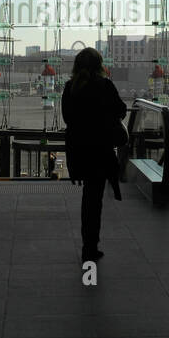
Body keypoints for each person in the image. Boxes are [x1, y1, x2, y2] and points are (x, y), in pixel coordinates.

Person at [61, 47, 126, 263]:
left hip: (79, 151)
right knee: (94, 199)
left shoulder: (71, 88)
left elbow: (68, 118)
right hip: (100, 151)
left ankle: (88, 245)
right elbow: (121, 110)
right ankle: (91, 246)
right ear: (99, 65)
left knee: (88, 199)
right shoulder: (104, 86)